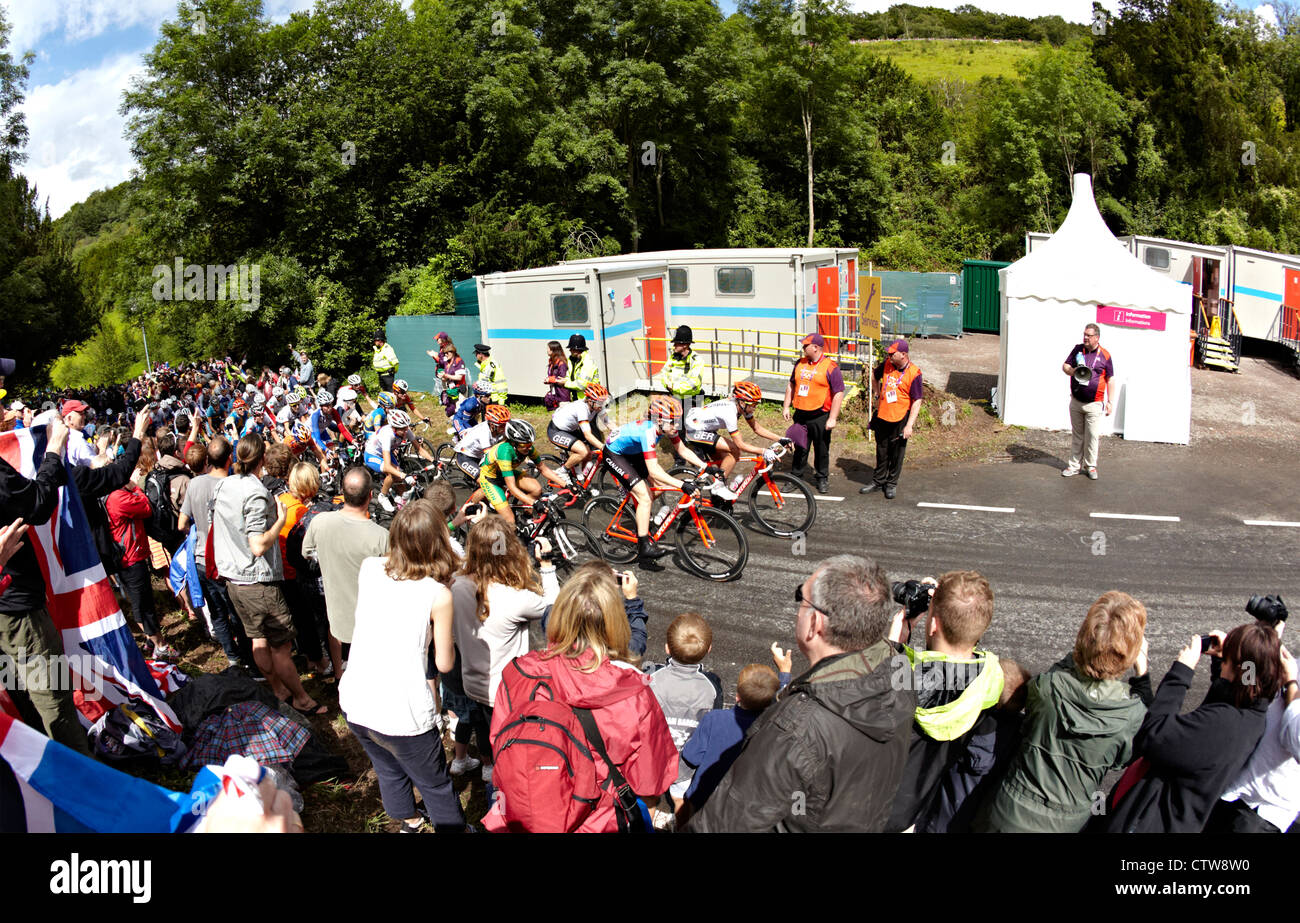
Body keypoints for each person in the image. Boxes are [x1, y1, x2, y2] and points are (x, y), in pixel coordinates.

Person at [687, 554, 915, 833]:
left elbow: (721, 826)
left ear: (815, 623)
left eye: (801, 597)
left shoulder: (795, 728)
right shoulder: (897, 673)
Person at [484, 565, 677, 833]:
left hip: (528, 811)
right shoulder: (634, 693)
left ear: (559, 613)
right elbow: (651, 781)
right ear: (615, 621)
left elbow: (500, 742)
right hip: (600, 820)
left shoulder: (518, 674)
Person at [339, 499, 468, 833]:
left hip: (357, 700)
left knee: (387, 767)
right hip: (403, 712)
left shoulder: (369, 568)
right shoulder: (438, 594)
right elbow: (443, 662)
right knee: (436, 784)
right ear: (437, 541)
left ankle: (409, 821)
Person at [975, 591, 1151, 833]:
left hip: (1007, 815)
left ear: (1083, 636)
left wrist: (1087, 651)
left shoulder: (1047, 687)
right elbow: (1124, 759)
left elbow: (1061, 674)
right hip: (1065, 825)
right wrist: (1143, 676)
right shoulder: (1130, 715)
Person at [1099, 624, 1280, 833]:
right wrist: (1223, 659)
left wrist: (1182, 671)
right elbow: (1232, 699)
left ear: (1240, 669)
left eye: (1228, 661)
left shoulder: (1223, 724)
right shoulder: (1252, 715)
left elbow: (1154, 734)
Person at [211, 433, 324, 716]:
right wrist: (281, 521)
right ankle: (301, 699)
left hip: (233, 578)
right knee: (282, 647)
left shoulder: (223, 485)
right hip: (257, 580)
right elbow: (258, 545)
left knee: (258, 639)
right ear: (262, 458)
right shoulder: (257, 493)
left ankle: (278, 689)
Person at [884, 571, 1004, 833]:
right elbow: (953, 668)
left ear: (934, 625)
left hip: (876, 808)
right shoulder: (990, 679)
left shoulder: (899, 678)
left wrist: (894, 646)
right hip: (918, 810)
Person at [0, 413, 92, 755]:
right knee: (51, 695)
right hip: (17, 608)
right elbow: (37, 504)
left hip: (10, 601)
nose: (7, 413)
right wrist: (53, 449)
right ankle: (79, 780)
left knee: (21, 691)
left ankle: (41, 762)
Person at [449, 518, 560, 780]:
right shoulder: (516, 599)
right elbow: (553, 605)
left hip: (471, 683)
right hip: (507, 694)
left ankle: (491, 775)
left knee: (483, 729)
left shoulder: (457, 584)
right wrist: (546, 564)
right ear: (510, 551)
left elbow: (479, 555)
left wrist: (485, 532)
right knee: (510, 743)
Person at [302, 467, 390, 681]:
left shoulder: (320, 522)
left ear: (343, 492)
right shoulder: (381, 536)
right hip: (370, 615)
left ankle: (341, 679)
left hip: (336, 608)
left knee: (335, 634)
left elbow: (307, 553)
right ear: (370, 495)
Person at [1209, 629, 1300, 833]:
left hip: (1261, 810)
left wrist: (1290, 685)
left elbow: (1296, 738)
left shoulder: (1291, 673)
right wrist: (1245, 653)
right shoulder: (1294, 664)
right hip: (1228, 789)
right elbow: (1251, 696)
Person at [602, 395, 710, 565]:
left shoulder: (665, 428)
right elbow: (654, 470)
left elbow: (682, 449)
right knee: (645, 497)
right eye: (673, 421)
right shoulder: (648, 432)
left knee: (659, 488)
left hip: (633, 452)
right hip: (615, 454)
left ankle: (639, 511)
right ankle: (644, 546)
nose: (676, 426)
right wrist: (683, 485)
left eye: (677, 421)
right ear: (659, 421)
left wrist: (706, 466)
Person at [679, 657, 786, 822]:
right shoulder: (771, 727)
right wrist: (784, 674)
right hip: (741, 802)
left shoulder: (714, 718)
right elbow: (783, 705)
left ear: (737, 696)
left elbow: (692, 756)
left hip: (705, 794)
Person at [177, 436, 251, 669]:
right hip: (227, 560)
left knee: (217, 611)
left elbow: (181, 524)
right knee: (237, 612)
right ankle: (250, 661)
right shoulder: (234, 484)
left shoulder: (195, 483)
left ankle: (232, 657)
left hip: (201, 559)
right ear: (230, 457)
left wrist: (199, 531)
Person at [641, 612, 724, 819]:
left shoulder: (651, 678)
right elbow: (713, 720)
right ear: (708, 649)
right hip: (686, 761)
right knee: (681, 800)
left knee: (649, 799)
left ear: (667, 648)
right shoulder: (711, 686)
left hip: (653, 758)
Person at [105, 476, 175, 660]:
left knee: (140, 601)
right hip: (131, 557)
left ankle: (150, 640)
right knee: (143, 604)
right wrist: (135, 488)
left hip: (126, 556)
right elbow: (145, 507)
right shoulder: (118, 497)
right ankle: (161, 646)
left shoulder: (109, 495)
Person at [684, 380, 785, 483]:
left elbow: (757, 428)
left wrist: (781, 439)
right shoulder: (730, 412)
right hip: (694, 431)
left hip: (705, 429)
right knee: (734, 450)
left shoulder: (743, 407)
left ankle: (718, 490)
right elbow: (740, 444)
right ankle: (718, 487)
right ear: (741, 402)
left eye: (756, 404)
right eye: (753, 404)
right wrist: (763, 451)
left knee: (725, 462)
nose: (755, 407)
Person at [860, 338, 923, 501]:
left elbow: (917, 401)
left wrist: (909, 425)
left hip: (900, 418)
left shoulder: (914, 373)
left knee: (896, 453)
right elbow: (874, 375)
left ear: (903, 355)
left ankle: (891, 483)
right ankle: (878, 481)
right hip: (883, 416)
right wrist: (876, 393)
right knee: (881, 450)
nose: (889, 356)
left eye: (892, 353)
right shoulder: (887, 364)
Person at [782, 332, 843, 495]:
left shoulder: (831, 366)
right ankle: (796, 477)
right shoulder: (800, 363)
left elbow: (838, 393)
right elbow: (791, 384)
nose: (802, 347)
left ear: (815, 347)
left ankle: (822, 478)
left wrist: (833, 418)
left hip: (820, 416)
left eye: (805, 345)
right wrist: (786, 406)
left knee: (821, 449)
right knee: (800, 447)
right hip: (801, 414)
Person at [474, 419, 559, 528]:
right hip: (491, 479)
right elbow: (512, 488)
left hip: (505, 472)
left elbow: (543, 468)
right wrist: (534, 503)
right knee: (510, 521)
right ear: (514, 443)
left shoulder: (527, 448)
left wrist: (567, 484)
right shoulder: (505, 452)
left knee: (536, 489)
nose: (529, 447)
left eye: (530, 444)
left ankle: (525, 519)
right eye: (525, 445)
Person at [1061, 323, 1114, 480]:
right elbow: (1065, 366)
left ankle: (1091, 466)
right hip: (1076, 401)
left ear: (1096, 338)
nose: (1085, 337)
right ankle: (1074, 466)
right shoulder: (1078, 349)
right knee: (1078, 435)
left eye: (1088, 335)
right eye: (1084, 334)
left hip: (1094, 403)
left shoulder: (1105, 355)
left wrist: (1110, 401)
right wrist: (1073, 371)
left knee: (1092, 435)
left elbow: (1110, 379)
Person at [546, 382, 609, 487]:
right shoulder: (582, 409)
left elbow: (608, 422)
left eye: (603, 402)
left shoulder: (596, 406)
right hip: (556, 430)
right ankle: (562, 471)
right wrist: (603, 447)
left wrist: (620, 433)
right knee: (583, 451)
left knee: (588, 454)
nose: (601, 405)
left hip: (570, 430)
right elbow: (588, 435)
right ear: (590, 401)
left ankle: (582, 482)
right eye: (599, 402)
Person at [662, 325, 705, 413]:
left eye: (677, 343)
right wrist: (667, 385)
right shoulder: (673, 358)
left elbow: (694, 384)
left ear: (685, 345)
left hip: (692, 400)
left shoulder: (696, 360)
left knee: (689, 426)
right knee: (674, 425)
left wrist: (673, 387)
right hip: (676, 399)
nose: (674, 345)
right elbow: (664, 373)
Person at [559, 333, 599, 401]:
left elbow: (582, 385)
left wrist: (565, 383)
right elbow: (569, 377)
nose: (570, 350)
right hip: (577, 399)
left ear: (577, 350)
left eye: (571, 348)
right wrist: (563, 380)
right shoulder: (572, 360)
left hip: (588, 400)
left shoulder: (587, 362)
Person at [60, 398, 97, 467]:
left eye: (84, 414)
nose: (84, 417)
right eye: (81, 414)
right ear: (69, 418)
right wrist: (103, 449)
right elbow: (97, 468)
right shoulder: (78, 442)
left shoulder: (58, 438)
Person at [542, 340, 570, 411]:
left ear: (553, 350)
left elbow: (562, 379)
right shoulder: (552, 362)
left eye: (548, 348)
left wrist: (551, 379)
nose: (547, 350)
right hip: (556, 395)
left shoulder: (561, 363)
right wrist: (548, 380)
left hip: (563, 397)